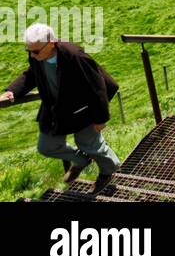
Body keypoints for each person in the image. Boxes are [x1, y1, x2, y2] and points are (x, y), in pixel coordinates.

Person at [1, 23, 121, 193]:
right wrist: (12, 91)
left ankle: (108, 172)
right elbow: (31, 74)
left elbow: (97, 87)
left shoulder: (75, 56)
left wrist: (101, 118)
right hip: (56, 109)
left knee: (89, 144)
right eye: (28, 51)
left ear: (51, 43)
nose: (32, 56)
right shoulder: (37, 54)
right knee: (46, 146)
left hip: (82, 109)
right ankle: (81, 160)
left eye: (35, 51)